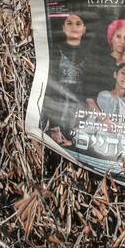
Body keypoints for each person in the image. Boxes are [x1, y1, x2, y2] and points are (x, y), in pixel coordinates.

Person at [42, 12, 88, 147]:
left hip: (79, 112)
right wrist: (54, 127)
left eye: (78, 24)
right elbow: (50, 89)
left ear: (84, 29)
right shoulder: (55, 51)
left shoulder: (89, 54)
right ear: (63, 28)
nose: (74, 27)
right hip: (58, 109)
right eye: (69, 23)